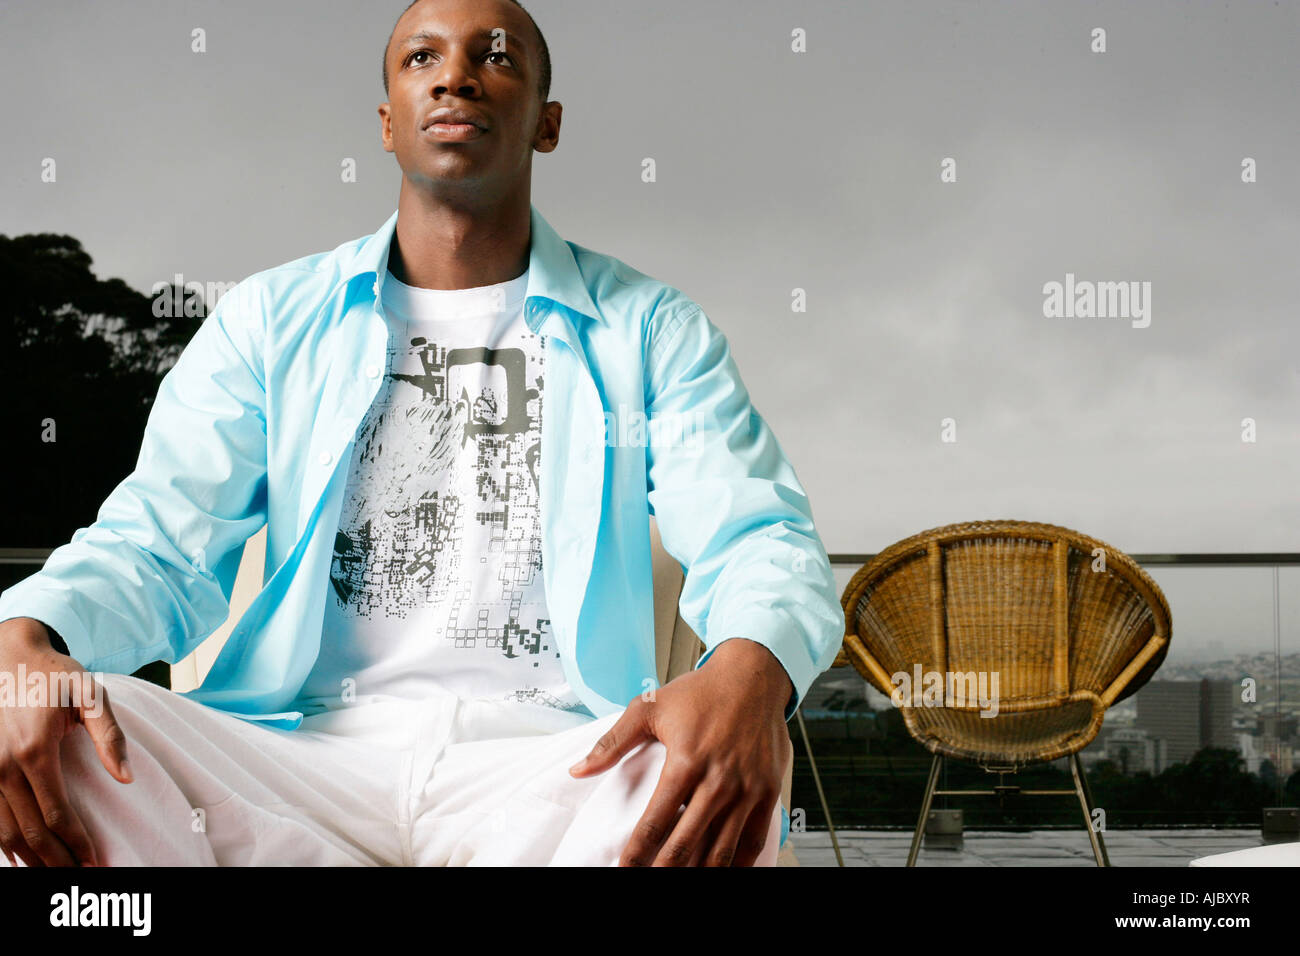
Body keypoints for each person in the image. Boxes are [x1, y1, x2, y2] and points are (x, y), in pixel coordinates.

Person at [0, 0, 843, 867]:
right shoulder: (270, 320)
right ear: (387, 124)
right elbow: (157, 543)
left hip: (558, 765)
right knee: (52, 738)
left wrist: (751, 673)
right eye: (421, 59)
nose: (455, 76)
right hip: (291, 760)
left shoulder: (651, 329)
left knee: (704, 768)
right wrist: (25, 633)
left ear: (546, 124)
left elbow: (758, 533)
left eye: (497, 57)